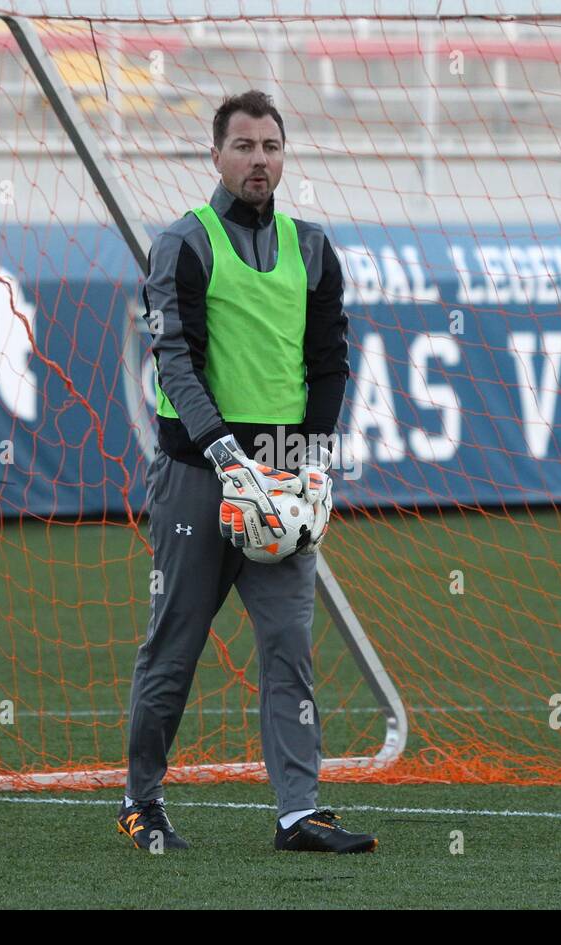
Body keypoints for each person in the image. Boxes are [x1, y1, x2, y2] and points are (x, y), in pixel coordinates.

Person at [118, 90, 377, 854]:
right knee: (175, 645)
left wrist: (314, 460)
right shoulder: (185, 243)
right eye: (243, 145)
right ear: (216, 155)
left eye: (270, 145)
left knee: (289, 649)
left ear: (283, 154)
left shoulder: (314, 246)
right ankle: (142, 799)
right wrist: (229, 457)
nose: (258, 159)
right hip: (201, 474)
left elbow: (329, 363)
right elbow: (176, 361)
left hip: (286, 480)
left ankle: (299, 812)